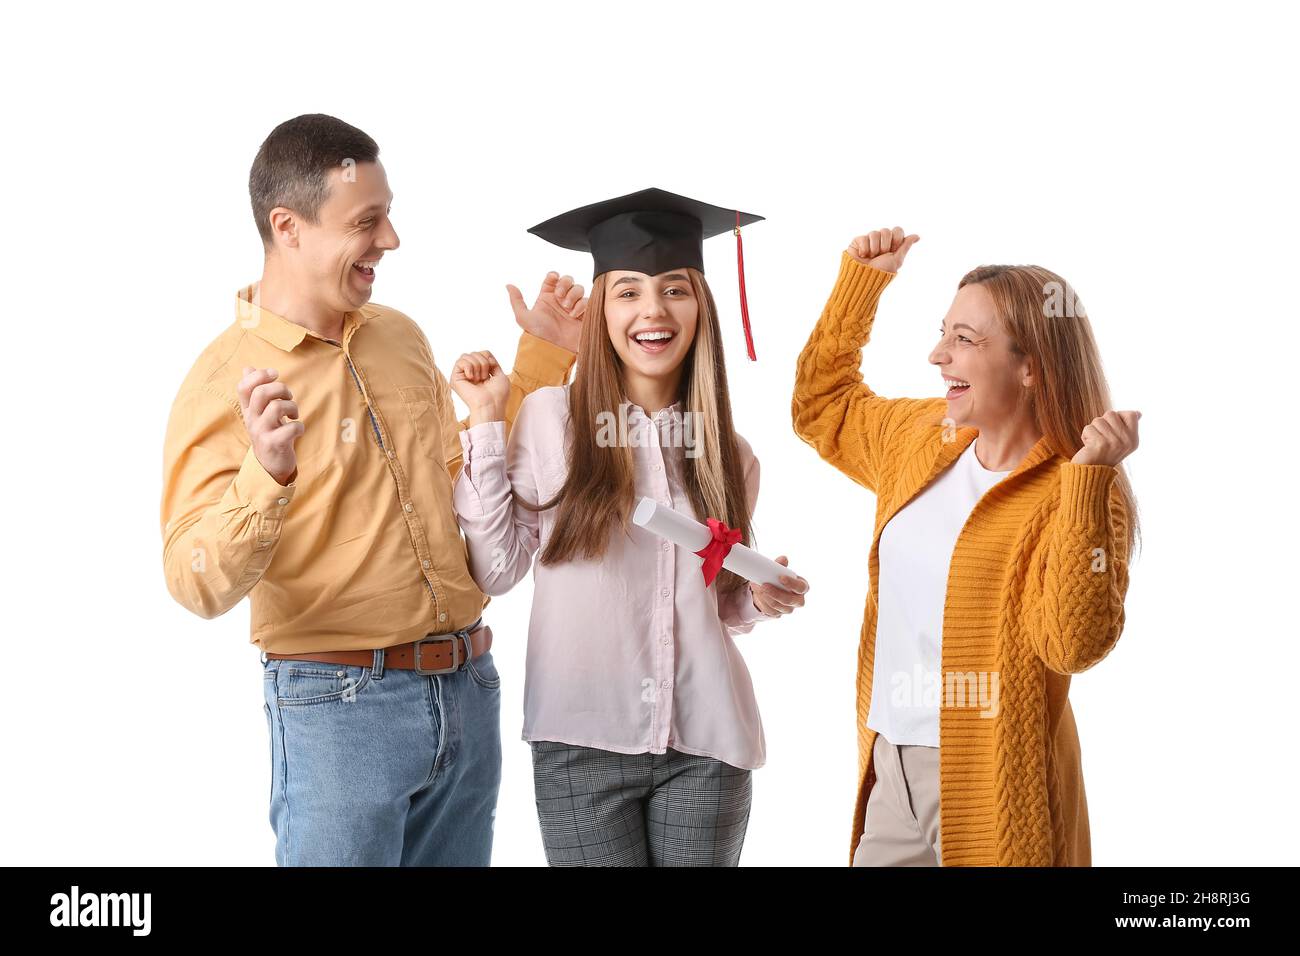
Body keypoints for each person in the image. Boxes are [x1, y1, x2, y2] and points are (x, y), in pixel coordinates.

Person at [159, 113, 587, 865]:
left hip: (466, 690)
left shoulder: (399, 336)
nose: (391, 241)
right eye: (368, 222)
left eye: (388, 216)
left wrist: (545, 357)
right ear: (288, 227)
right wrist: (269, 473)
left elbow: (469, 487)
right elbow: (193, 583)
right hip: (338, 711)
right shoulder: (222, 380)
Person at [451, 188, 809, 866]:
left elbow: (720, 598)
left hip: (708, 743)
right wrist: (487, 424)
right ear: (602, 312)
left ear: (701, 307)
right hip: (581, 742)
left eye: (675, 289)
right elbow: (494, 570)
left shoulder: (730, 452)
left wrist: (758, 598)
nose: (653, 310)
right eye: (628, 292)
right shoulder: (551, 421)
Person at [792, 227, 1140, 866]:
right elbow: (822, 406)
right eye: (943, 332)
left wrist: (1090, 481)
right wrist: (861, 286)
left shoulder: (1076, 490)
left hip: (996, 780)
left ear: (1031, 365)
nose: (936, 355)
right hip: (890, 764)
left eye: (964, 340)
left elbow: (1073, 644)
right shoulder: (920, 437)